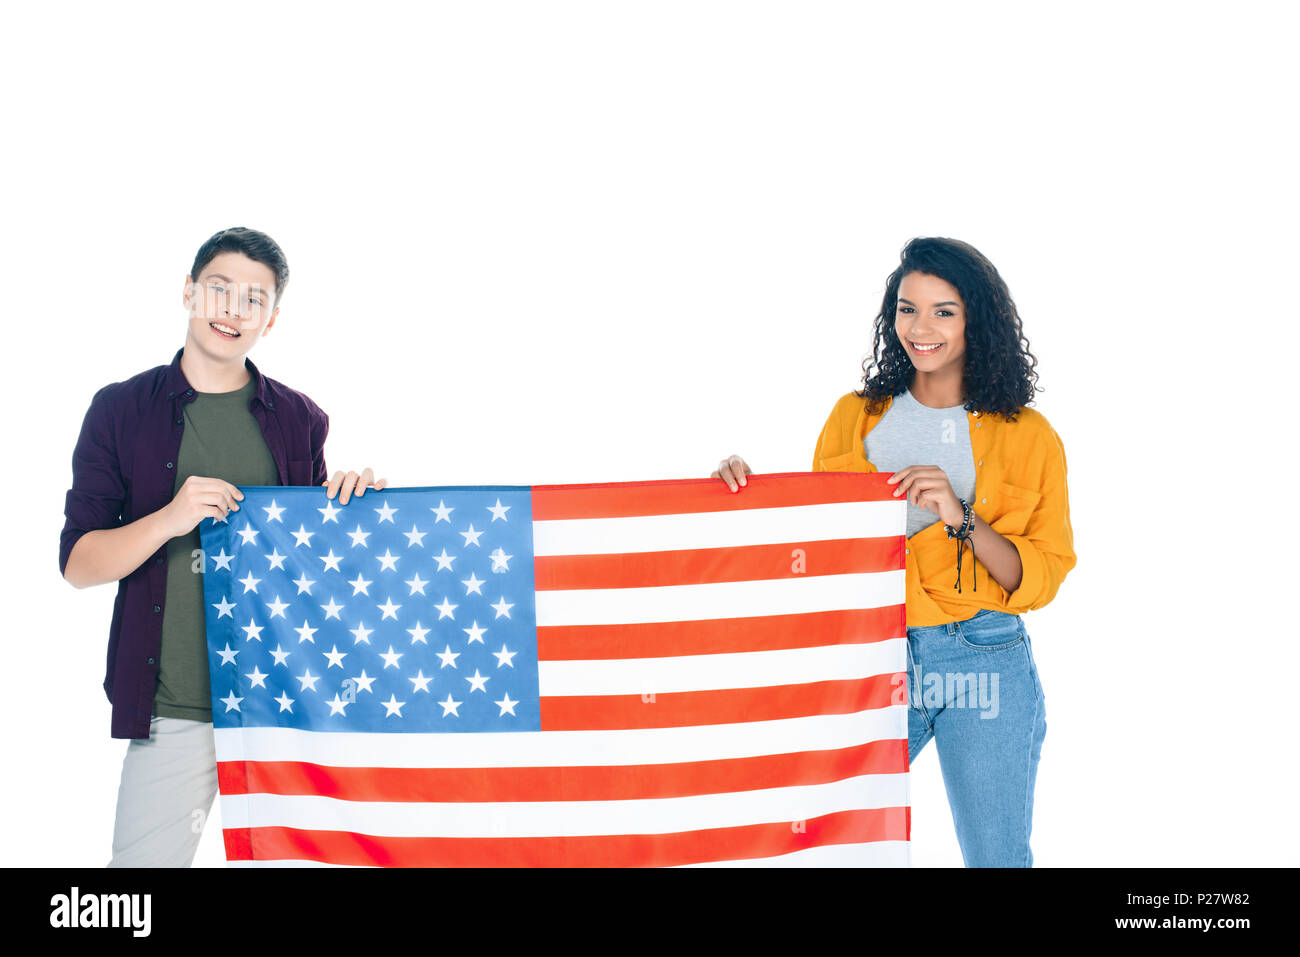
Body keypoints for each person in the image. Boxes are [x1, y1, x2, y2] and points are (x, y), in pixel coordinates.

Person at [711, 236, 1074, 866]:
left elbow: (1037, 577)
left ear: (975, 320)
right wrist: (741, 495)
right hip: (872, 655)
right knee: (800, 836)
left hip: (980, 657)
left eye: (943, 311)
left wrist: (962, 518)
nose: (921, 327)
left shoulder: (1030, 435)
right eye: (907, 309)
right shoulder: (856, 417)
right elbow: (816, 546)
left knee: (997, 857)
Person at [60, 226, 388, 867]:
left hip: (284, 705)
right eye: (219, 290)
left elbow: (311, 566)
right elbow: (78, 566)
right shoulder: (122, 410)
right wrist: (168, 517)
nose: (232, 311)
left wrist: (354, 505)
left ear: (272, 318)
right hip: (175, 705)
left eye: (253, 300)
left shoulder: (299, 418)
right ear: (188, 292)